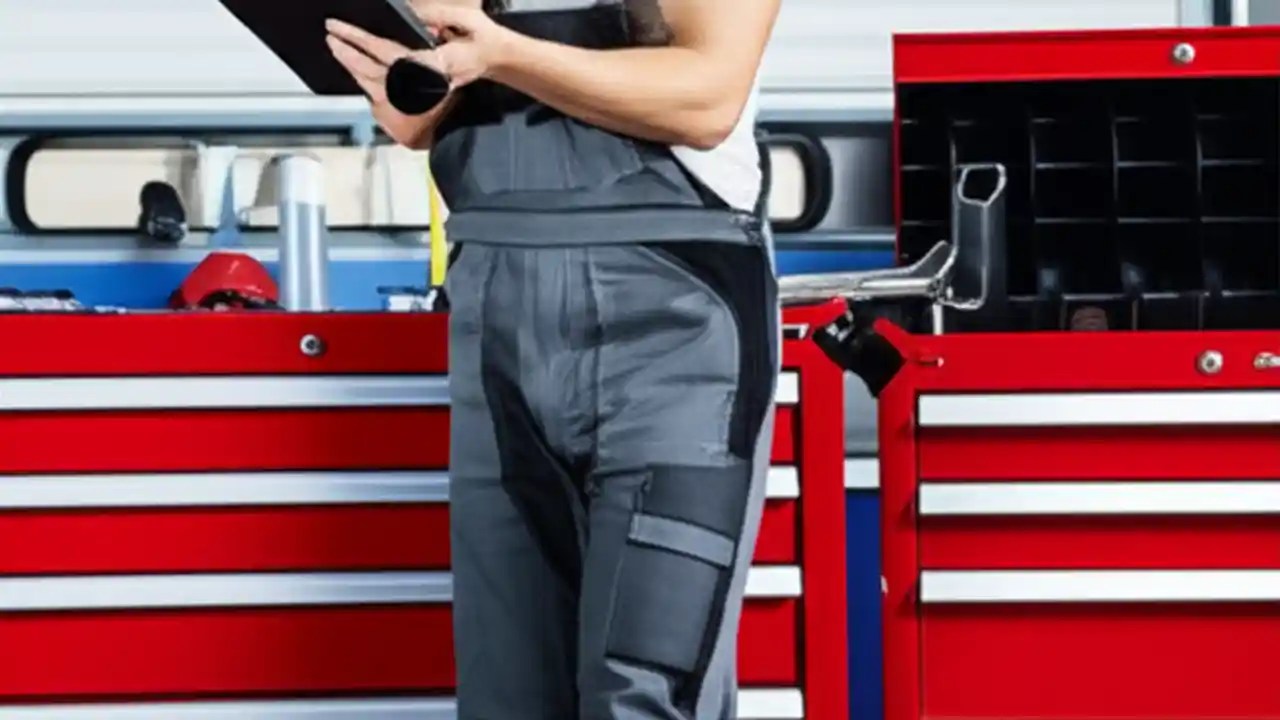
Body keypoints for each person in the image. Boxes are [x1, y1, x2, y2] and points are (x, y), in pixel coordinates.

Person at [326, 0, 781, 717]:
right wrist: (403, 77)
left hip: (673, 326)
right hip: (498, 318)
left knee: (644, 691)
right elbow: (418, 123)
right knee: (507, 697)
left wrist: (504, 54)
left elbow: (706, 96)